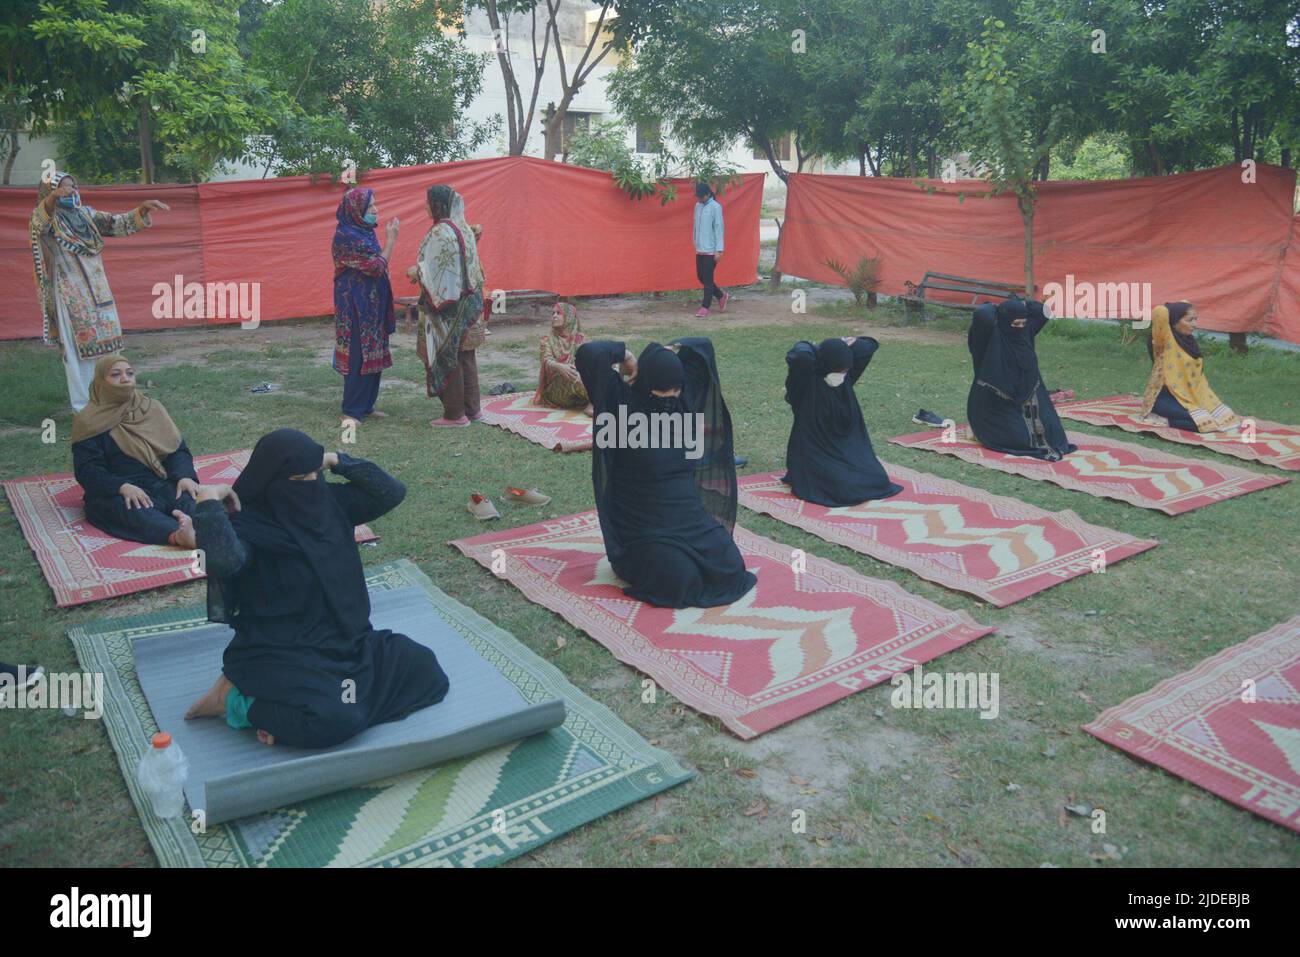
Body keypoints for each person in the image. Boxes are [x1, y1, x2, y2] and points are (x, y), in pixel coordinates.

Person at [184, 429, 449, 748]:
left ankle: (320, 709)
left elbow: (391, 492)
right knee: (337, 718)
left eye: (314, 474)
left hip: (346, 644)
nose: (311, 483)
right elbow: (225, 562)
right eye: (300, 477)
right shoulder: (250, 525)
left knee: (425, 669)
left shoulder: (329, 505)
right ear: (271, 479)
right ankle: (236, 702)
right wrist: (208, 503)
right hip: (280, 653)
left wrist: (335, 460)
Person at [575, 336, 756, 608]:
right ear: (646, 385)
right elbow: (589, 353)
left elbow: (703, 346)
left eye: (675, 391)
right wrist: (625, 356)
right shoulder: (619, 405)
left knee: (730, 566)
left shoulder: (683, 399)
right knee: (680, 579)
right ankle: (643, 563)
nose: (670, 399)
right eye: (662, 393)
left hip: (687, 516)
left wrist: (671, 350)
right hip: (642, 525)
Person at [29, 171, 169, 411]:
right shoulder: (45, 222)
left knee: (109, 346)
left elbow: (116, 224)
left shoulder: (86, 214)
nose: (70, 192)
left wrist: (142, 210)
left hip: (99, 291)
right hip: (69, 295)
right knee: (77, 353)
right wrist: (53, 199)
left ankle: (113, 398)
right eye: (62, 189)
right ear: (49, 193)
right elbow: (40, 221)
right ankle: (84, 408)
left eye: (72, 187)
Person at [71, 354, 200, 548]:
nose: (125, 379)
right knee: (136, 511)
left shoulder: (151, 408)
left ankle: (207, 527)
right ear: (101, 382)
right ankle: (179, 535)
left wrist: (184, 476)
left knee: (189, 499)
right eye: (116, 375)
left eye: (129, 373)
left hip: (159, 480)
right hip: (117, 490)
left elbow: (176, 450)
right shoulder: (89, 421)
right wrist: (122, 486)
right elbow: (88, 471)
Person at [782, 337, 903, 507]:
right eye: (838, 370)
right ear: (825, 363)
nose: (841, 374)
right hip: (813, 453)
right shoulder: (805, 384)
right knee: (843, 487)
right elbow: (799, 355)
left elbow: (869, 346)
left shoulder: (845, 381)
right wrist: (814, 346)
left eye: (845, 370)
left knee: (878, 479)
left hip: (845, 451)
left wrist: (848, 343)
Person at [409, 185, 485, 428]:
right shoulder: (463, 227)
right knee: (465, 356)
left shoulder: (440, 232)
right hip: (471, 303)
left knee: (445, 355)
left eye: (427, 202)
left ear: (438, 205)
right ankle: (473, 410)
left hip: (449, 308)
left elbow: (434, 270)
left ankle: (454, 415)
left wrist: (415, 272)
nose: (424, 206)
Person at [966, 296, 1076, 461]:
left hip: (1029, 398)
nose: (1019, 328)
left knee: (1052, 434)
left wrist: (1022, 304)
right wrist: (999, 307)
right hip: (995, 405)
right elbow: (982, 313)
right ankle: (978, 429)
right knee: (1020, 439)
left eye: (1022, 323)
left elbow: (1043, 310)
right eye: (1015, 324)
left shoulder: (1025, 332)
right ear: (1002, 319)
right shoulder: (988, 338)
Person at [332, 187, 398, 428]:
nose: (375, 210)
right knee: (358, 356)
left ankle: (367, 405)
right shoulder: (346, 236)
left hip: (372, 305)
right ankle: (350, 410)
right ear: (356, 210)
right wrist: (391, 240)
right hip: (354, 307)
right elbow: (376, 267)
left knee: (374, 352)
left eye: (375, 205)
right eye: (370, 207)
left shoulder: (365, 232)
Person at [1140, 301, 1239, 433]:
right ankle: (1162, 418)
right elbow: (1159, 312)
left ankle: (1172, 418)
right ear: (1174, 321)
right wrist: (1170, 309)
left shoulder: (1189, 342)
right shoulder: (1164, 341)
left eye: (1195, 319)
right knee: (1202, 422)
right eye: (1189, 320)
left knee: (1226, 416)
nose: (1194, 324)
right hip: (1166, 397)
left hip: (1192, 395)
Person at [535, 301, 590, 414]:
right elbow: (546, 360)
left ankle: (601, 400)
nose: (554, 316)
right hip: (556, 389)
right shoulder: (547, 340)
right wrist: (559, 366)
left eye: (558, 313)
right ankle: (597, 403)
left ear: (569, 317)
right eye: (553, 313)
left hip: (577, 387)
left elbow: (591, 359)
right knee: (574, 375)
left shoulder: (579, 338)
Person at [693, 182, 728, 318]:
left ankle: (705, 307)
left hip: (711, 250)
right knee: (701, 277)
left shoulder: (715, 207)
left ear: (708, 194)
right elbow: (695, 225)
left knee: (707, 279)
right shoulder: (697, 206)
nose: (699, 199)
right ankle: (721, 295)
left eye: (701, 196)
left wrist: (719, 250)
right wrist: (695, 241)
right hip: (700, 248)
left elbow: (719, 228)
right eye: (698, 197)